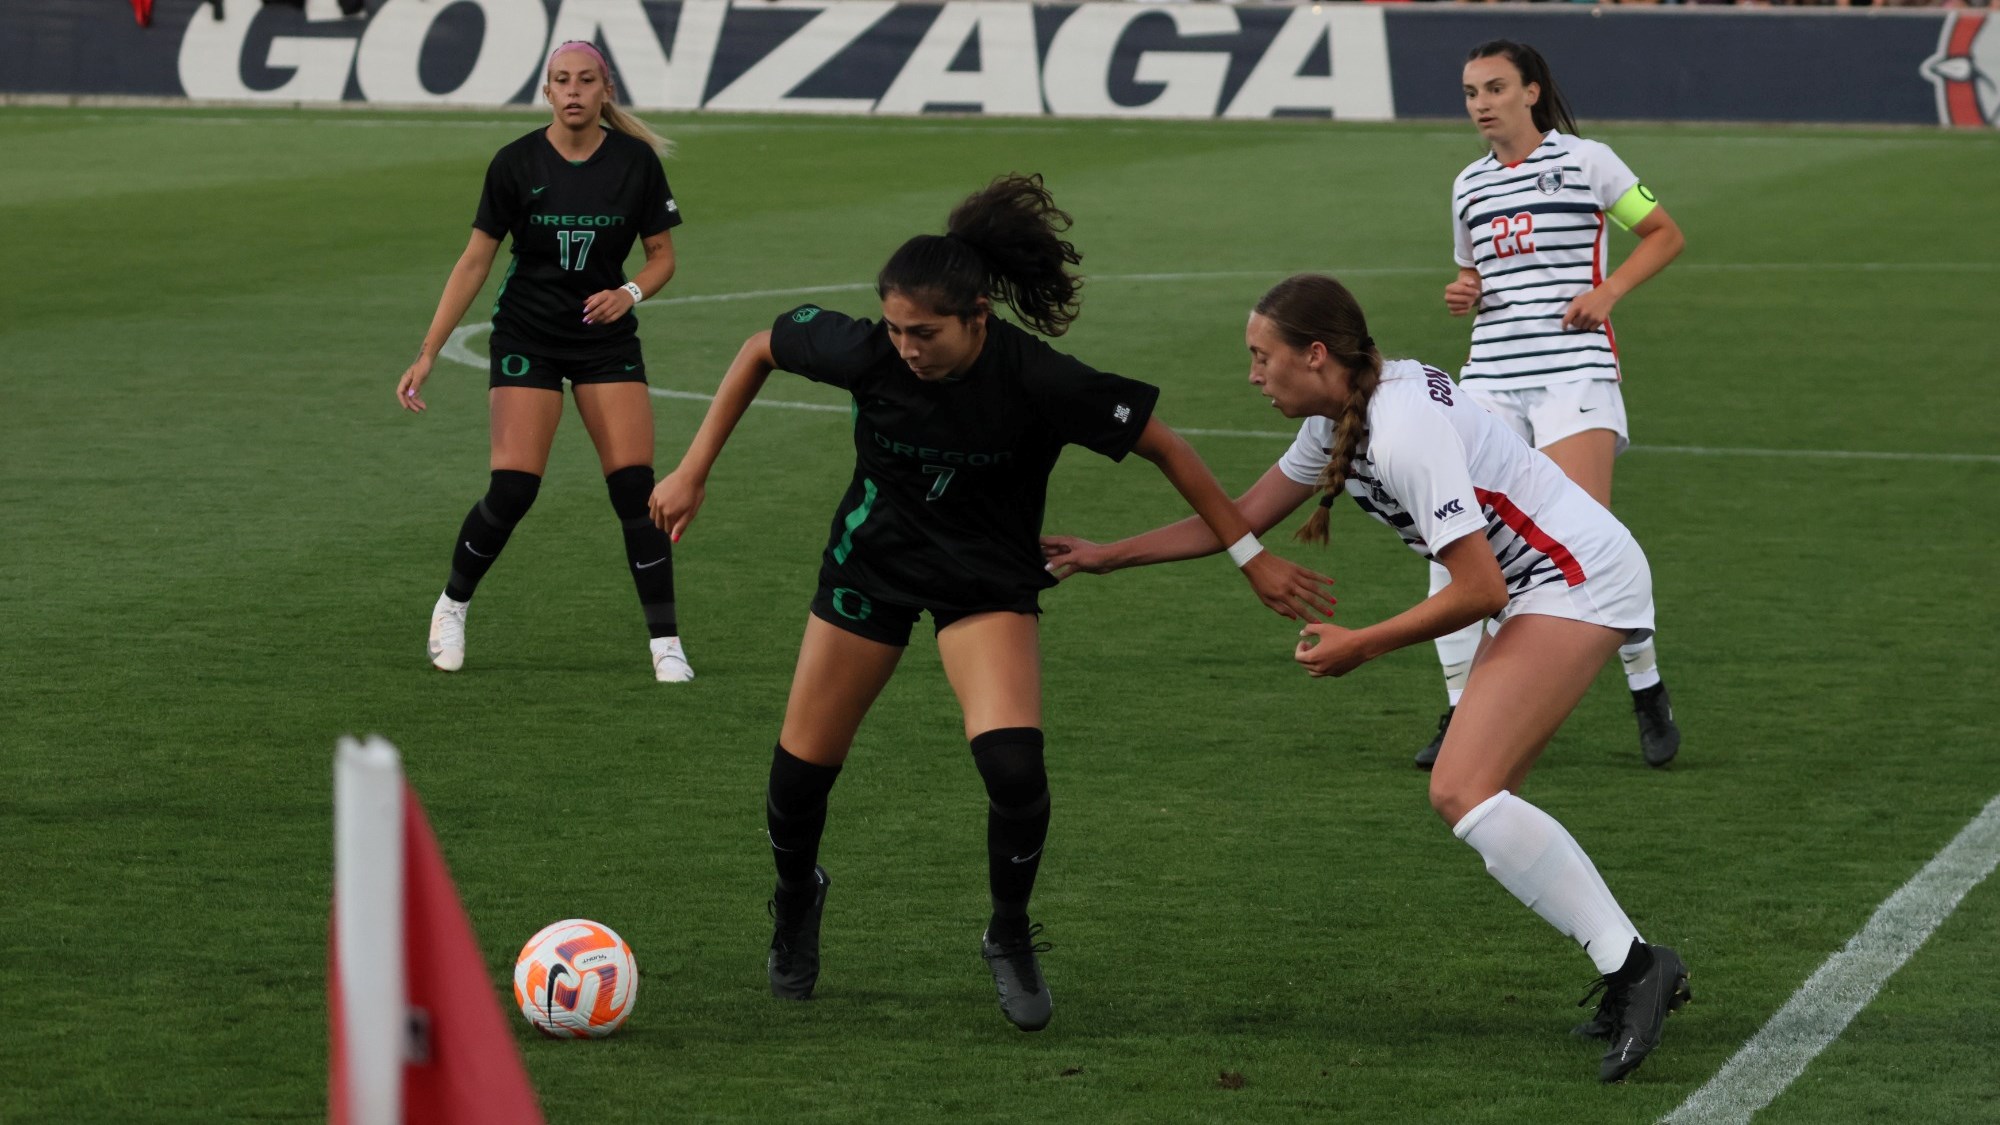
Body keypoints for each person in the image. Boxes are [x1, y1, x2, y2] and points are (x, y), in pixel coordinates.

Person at [647, 175, 1335, 1032]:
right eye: (895, 328)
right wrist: (692, 468)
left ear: (978, 316)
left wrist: (1249, 555)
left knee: (1015, 770)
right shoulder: (866, 350)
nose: (905, 347)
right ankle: (796, 897)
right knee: (797, 782)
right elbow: (759, 347)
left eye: (924, 332)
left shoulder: (1039, 379)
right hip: (872, 570)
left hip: (986, 582)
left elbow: (1167, 447)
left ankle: (1009, 932)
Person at [1041, 274, 1691, 1083]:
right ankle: (1629, 962)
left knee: (1463, 788)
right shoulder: (1344, 414)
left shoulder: (1402, 429)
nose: (1252, 375)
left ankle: (1636, 969)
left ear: (1316, 356)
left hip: (1577, 577)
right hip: (1545, 582)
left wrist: (1363, 645)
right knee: (1486, 800)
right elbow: (1240, 515)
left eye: (1261, 356)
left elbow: (1480, 589)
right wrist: (1108, 554)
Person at [1420, 39, 1688, 769]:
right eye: (1472, 91)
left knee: (1589, 541)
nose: (1481, 103)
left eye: (1496, 88)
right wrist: (1462, 292)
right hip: (1490, 378)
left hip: (1574, 373)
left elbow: (1664, 234)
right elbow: (1470, 275)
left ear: (1532, 92)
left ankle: (1645, 686)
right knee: (1455, 537)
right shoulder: (1468, 185)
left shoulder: (1589, 161)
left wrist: (1609, 292)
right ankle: (1459, 707)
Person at [395, 42, 692, 682]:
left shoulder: (635, 163)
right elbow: (474, 261)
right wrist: (428, 353)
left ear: (604, 88)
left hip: (604, 341)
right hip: (527, 337)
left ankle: (666, 645)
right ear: (547, 91)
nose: (575, 90)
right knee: (514, 488)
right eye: (563, 80)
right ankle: (452, 606)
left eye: (587, 80)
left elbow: (662, 257)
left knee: (636, 492)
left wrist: (629, 292)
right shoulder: (515, 163)